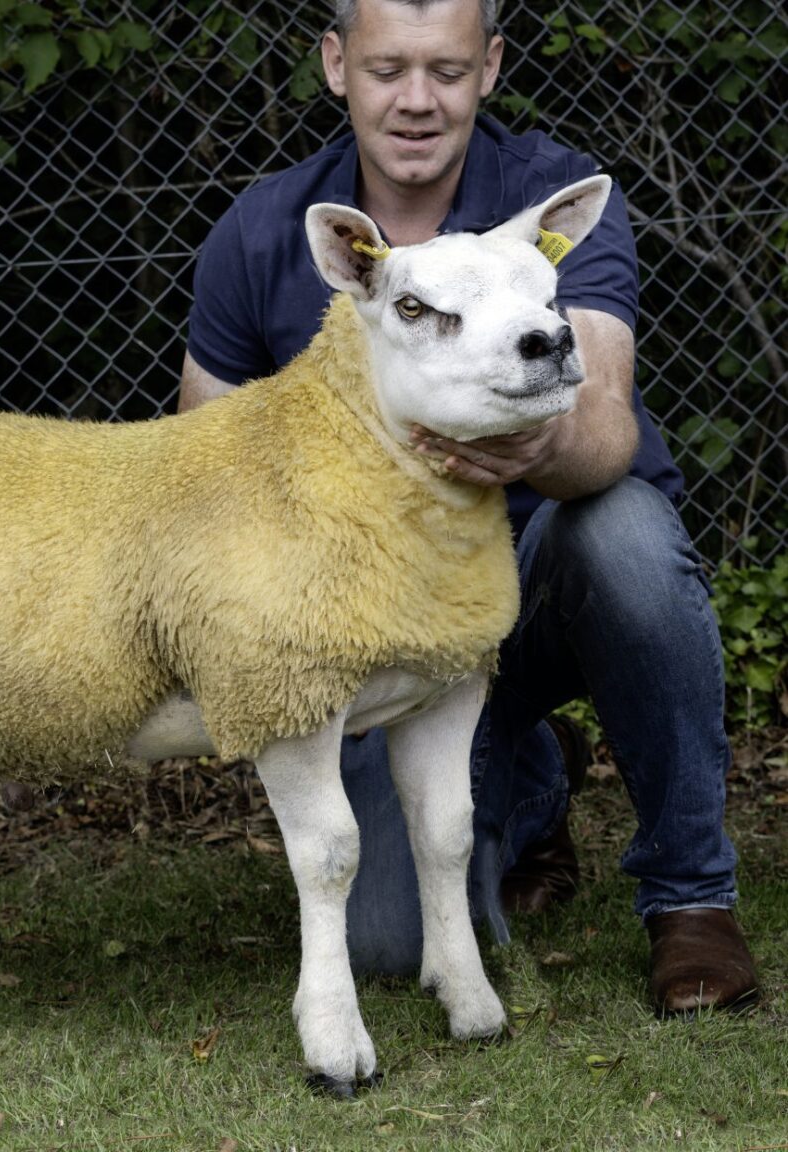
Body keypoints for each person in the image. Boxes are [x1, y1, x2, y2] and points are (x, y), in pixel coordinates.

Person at [180, 0, 758, 1014]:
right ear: (334, 64)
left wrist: (534, 442)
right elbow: (207, 466)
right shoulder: (276, 229)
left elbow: (606, 432)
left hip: (529, 581)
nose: (414, 100)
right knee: (388, 941)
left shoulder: (547, 200)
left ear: (488, 66)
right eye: (386, 68)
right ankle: (533, 783)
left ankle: (689, 900)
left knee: (622, 531)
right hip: (371, 628)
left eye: (444, 71)